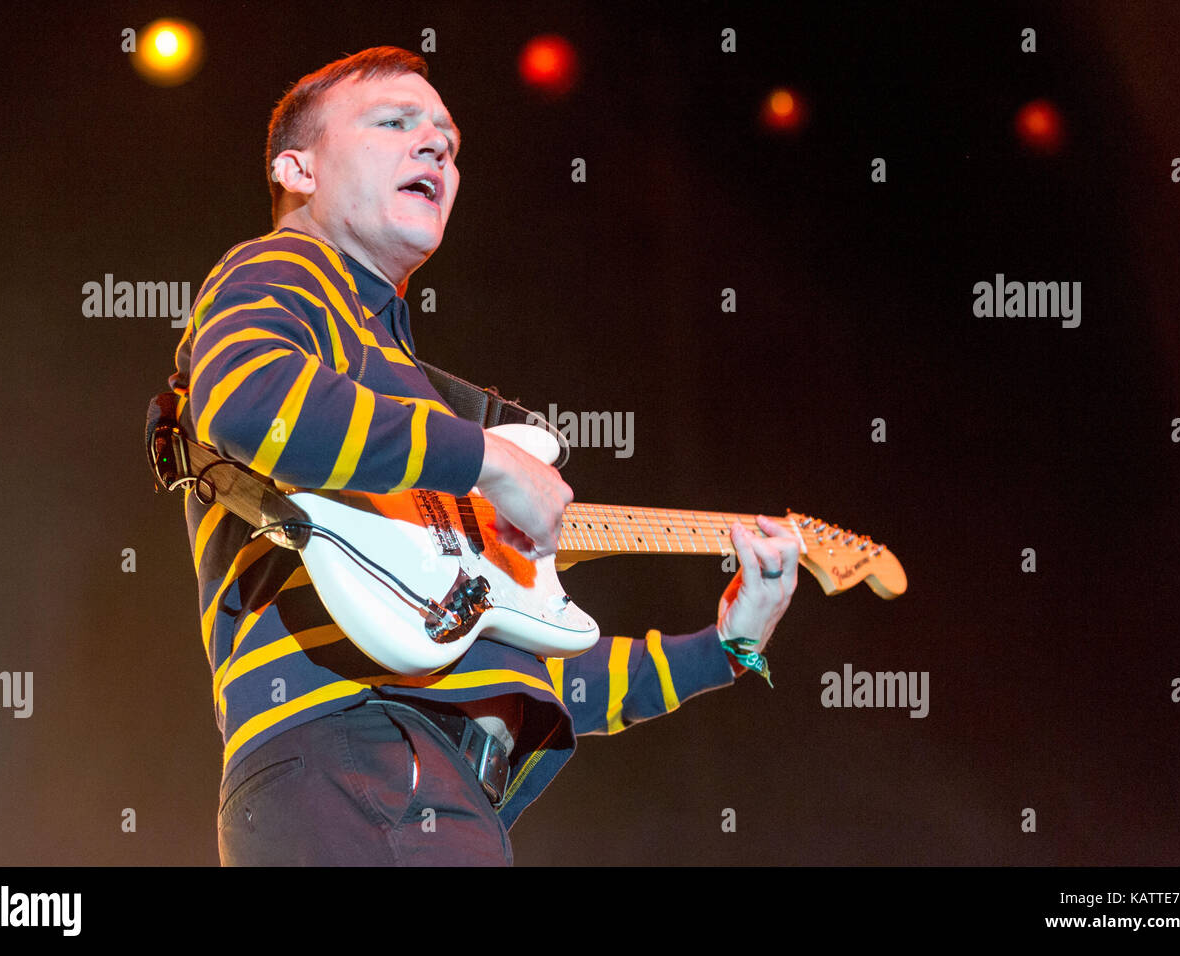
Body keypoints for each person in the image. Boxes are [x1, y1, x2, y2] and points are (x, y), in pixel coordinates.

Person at [165, 46, 804, 865]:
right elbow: (253, 404)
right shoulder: (285, 270)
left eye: (448, 140)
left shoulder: (430, 412)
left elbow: (525, 662)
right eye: (395, 122)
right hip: (357, 751)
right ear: (299, 168)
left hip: (416, 779)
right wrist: (494, 464)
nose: (435, 145)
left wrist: (731, 647)